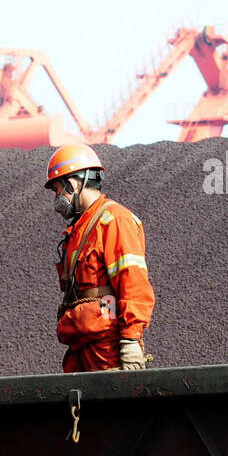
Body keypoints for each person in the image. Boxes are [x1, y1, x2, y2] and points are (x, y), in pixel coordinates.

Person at [46, 144, 154, 372]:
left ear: (74, 183)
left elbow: (132, 282)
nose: (57, 198)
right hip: (81, 343)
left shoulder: (114, 220)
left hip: (108, 349)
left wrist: (131, 341)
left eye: (58, 189)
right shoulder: (78, 230)